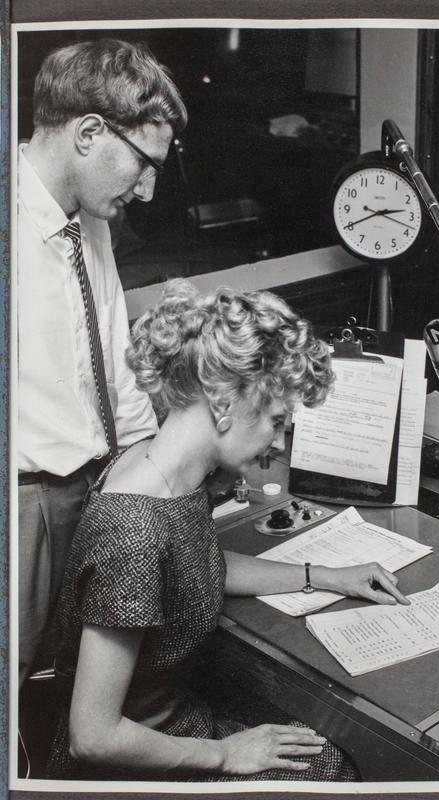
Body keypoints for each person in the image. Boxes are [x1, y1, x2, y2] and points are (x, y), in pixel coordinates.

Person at [45, 281, 409, 782]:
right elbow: (93, 737)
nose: (277, 443)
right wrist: (224, 754)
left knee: (324, 753)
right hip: (134, 762)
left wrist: (326, 575)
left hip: (174, 720)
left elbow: (195, 564)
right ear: (223, 403)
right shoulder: (133, 530)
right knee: (333, 772)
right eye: (277, 421)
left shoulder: (160, 466)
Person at [17, 38, 188, 686]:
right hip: (25, 504)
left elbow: (117, 367)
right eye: (143, 163)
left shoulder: (91, 219)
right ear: (89, 132)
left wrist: (159, 491)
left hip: (98, 492)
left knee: (66, 695)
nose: (146, 191)